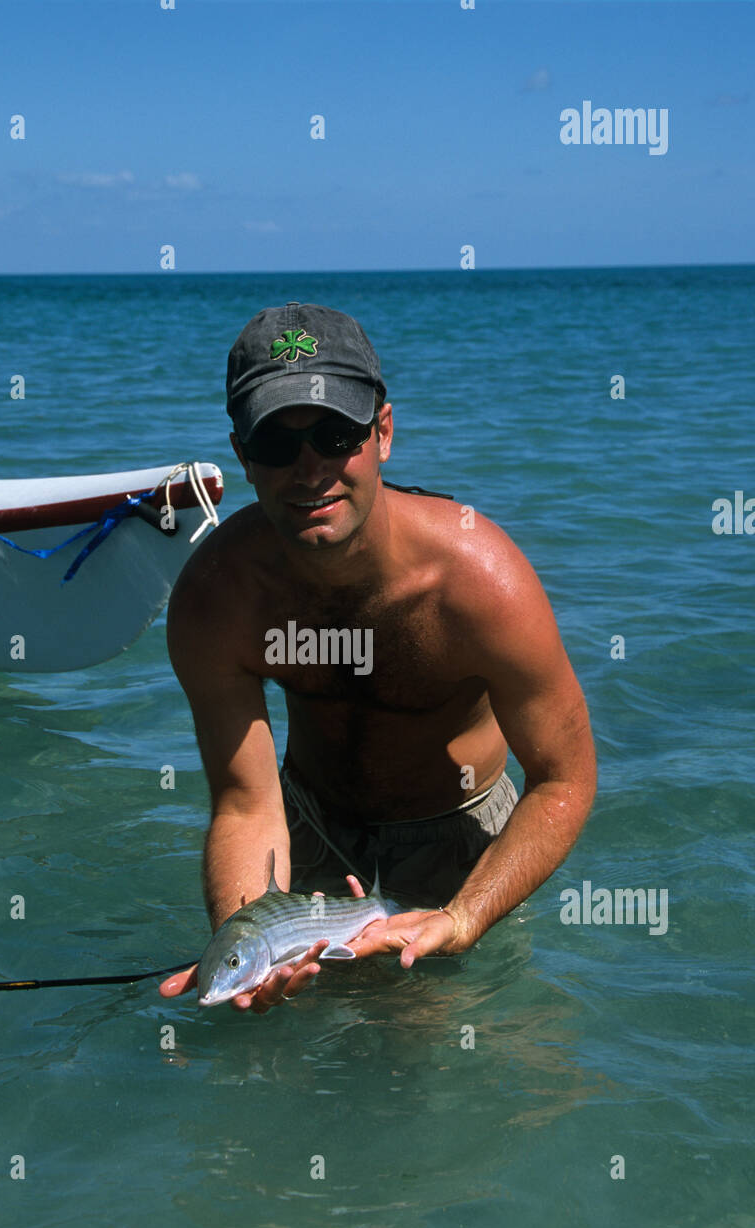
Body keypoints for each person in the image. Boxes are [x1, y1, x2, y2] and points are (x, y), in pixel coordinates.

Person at [160, 302, 596, 1014]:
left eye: (336, 435)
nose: (310, 470)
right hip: (309, 825)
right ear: (241, 455)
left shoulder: (479, 581)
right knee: (281, 1051)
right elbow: (245, 801)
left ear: (382, 433)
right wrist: (243, 939)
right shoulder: (217, 597)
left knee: (429, 1056)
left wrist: (464, 914)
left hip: (458, 839)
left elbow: (564, 778)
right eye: (277, 443)